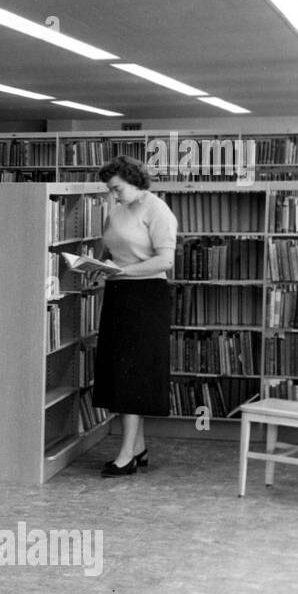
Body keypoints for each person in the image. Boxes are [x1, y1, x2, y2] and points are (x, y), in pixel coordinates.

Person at [89, 155, 178, 477]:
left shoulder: (158, 210)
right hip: (118, 295)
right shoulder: (117, 209)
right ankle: (137, 448)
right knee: (119, 372)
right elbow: (110, 247)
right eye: (110, 190)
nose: (113, 195)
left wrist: (122, 271)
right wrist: (96, 266)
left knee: (133, 376)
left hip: (145, 297)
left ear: (135, 181)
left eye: (117, 189)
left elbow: (165, 261)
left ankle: (126, 455)